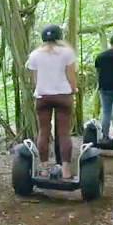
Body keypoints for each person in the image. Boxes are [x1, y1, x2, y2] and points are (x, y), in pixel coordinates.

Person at [25, 25, 78, 179]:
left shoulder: (34, 55)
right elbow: (71, 76)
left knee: (43, 132)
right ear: (59, 37)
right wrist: (74, 89)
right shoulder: (67, 53)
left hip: (43, 97)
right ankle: (66, 170)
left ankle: (43, 168)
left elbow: (35, 79)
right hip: (63, 96)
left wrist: (42, 88)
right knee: (64, 133)